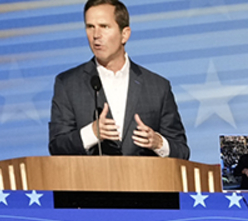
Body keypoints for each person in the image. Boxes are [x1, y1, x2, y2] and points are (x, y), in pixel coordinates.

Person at [48, 0, 190, 159]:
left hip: (144, 181)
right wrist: (91, 134)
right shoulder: (68, 84)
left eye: (104, 27)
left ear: (125, 34)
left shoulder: (157, 87)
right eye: (90, 27)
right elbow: (57, 146)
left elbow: (182, 151)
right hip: (90, 181)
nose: (96, 35)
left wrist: (159, 143)